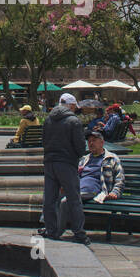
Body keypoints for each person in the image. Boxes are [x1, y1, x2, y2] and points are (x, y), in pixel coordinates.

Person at [39, 93, 88, 244]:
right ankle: (79, 232)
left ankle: (51, 230)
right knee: (74, 199)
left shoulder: (48, 119)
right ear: (71, 105)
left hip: (49, 162)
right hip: (67, 163)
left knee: (49, 199)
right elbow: (80, 147)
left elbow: (44, 141)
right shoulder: (74, 121)